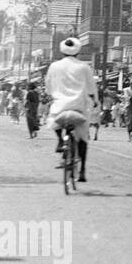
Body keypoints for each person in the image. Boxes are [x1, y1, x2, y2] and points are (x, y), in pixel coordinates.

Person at [45, 37, 98, 183]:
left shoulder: (54, 66)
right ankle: (82, 172)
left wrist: (54, 95)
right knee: (82, 139)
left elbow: (48, 87)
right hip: (79, 107)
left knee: (53, 120)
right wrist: (94, 101)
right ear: (78, 51)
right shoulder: (84, 67)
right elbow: (92, 88)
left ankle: (60, 140)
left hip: (60, 107)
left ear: (62, 51)